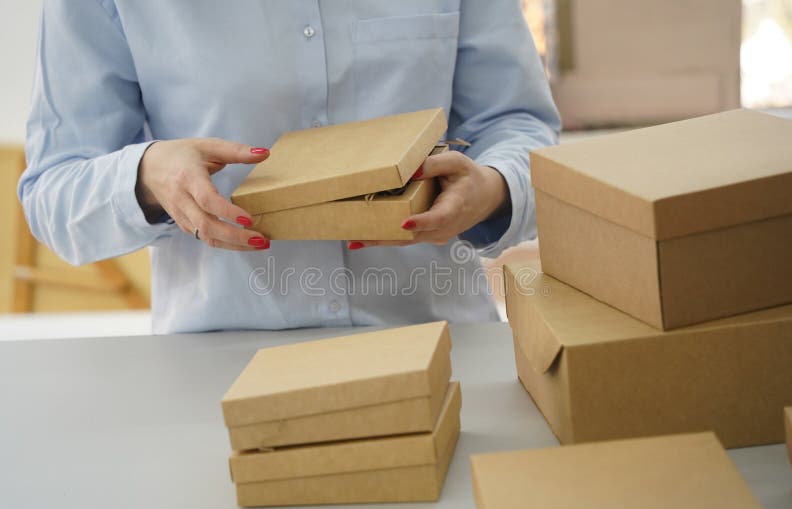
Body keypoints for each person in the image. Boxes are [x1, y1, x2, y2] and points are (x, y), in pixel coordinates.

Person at [19, 0, 560, 334]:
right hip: (220, 372)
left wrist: (492, 187)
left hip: (440, 343)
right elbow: (54, 189)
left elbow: (519, 125)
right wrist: (147, 176)